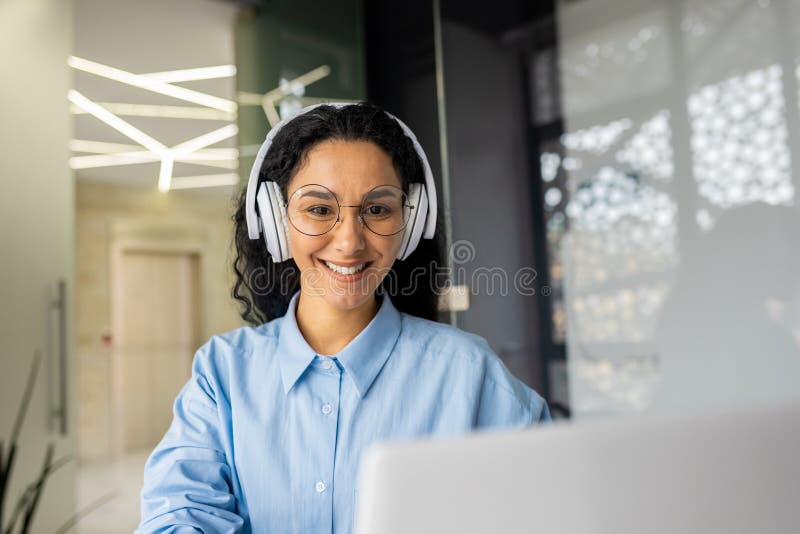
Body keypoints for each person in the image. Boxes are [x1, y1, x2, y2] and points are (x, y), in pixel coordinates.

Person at [137, 102, 550, 533]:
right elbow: (179, 514)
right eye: (319, 209)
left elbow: (547, 506)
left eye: (377, 209)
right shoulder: (223, 372)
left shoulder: (470, 374)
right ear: (276, 221)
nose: (350, 242)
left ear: (410, 223)